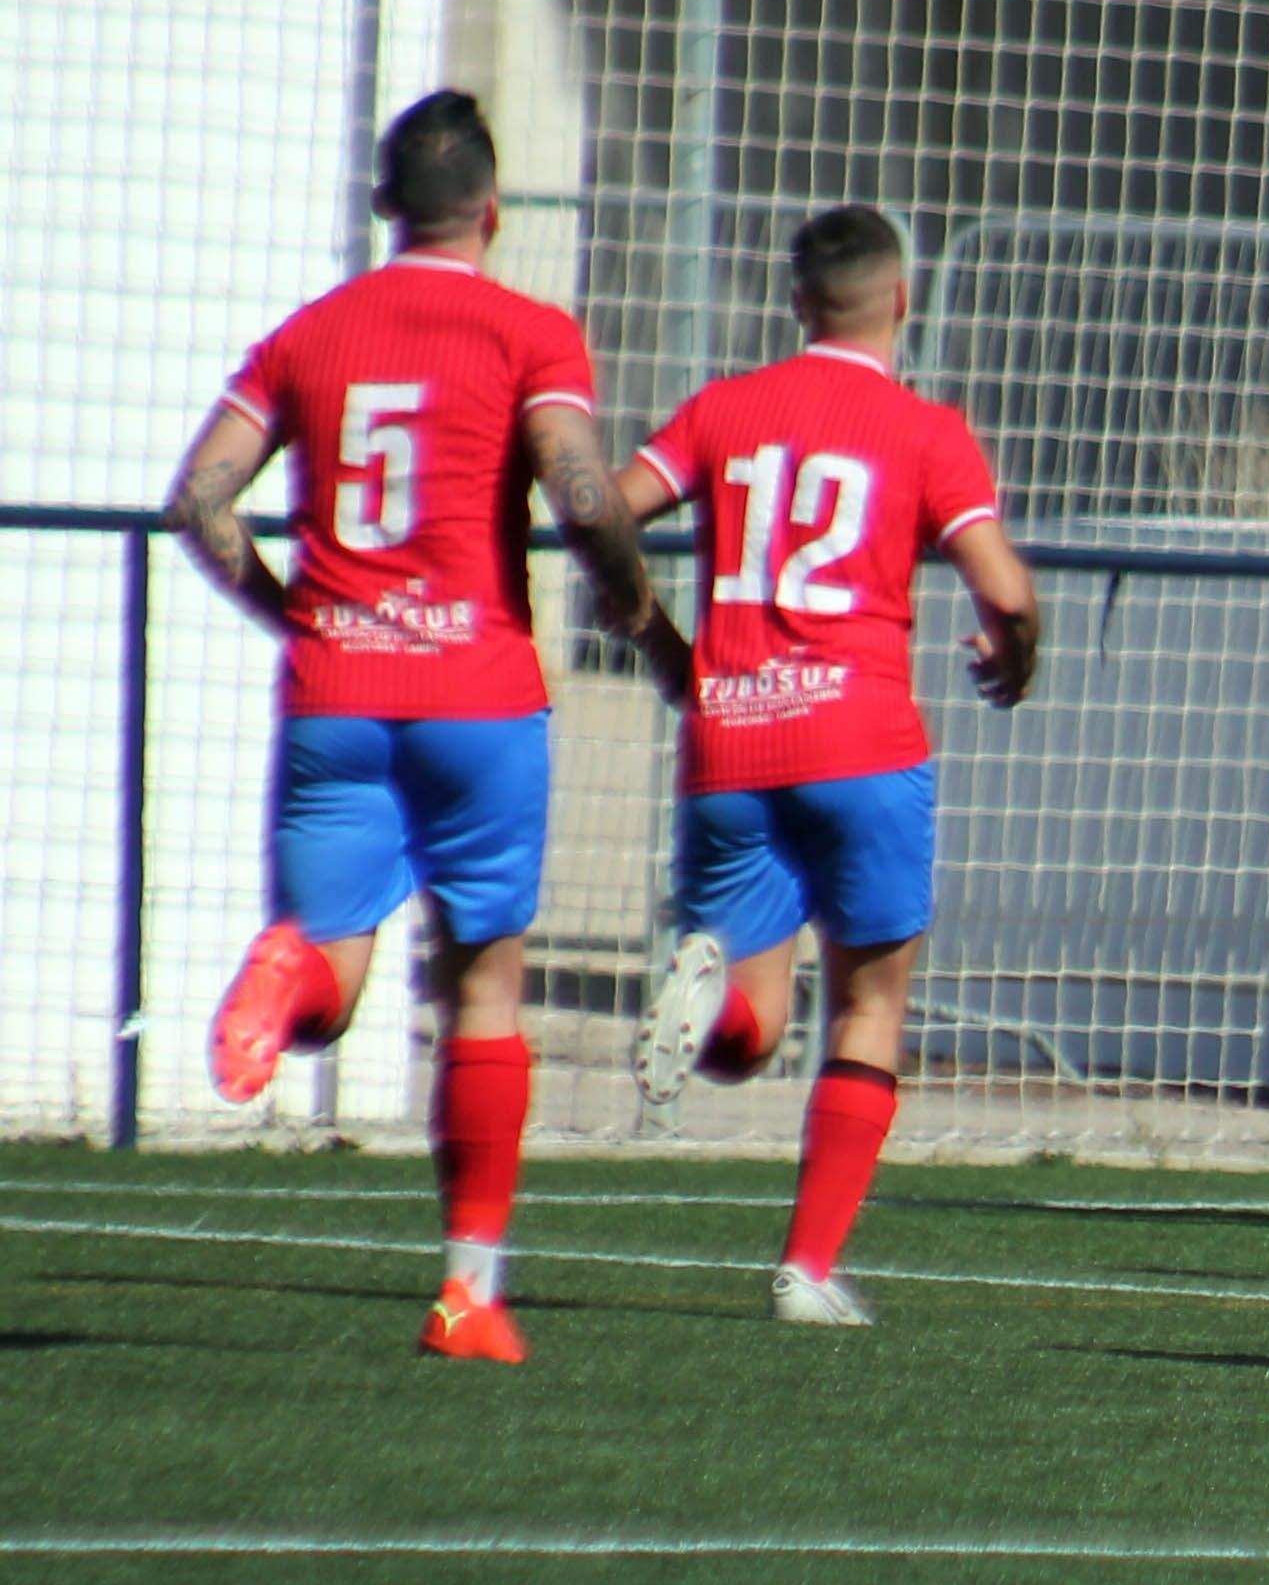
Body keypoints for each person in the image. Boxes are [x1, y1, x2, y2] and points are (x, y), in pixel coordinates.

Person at [161, 89, 676, 1364]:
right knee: (483, 983)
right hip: (478, 699)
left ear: (385, 207)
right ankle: (466, 1293)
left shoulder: (312, 333)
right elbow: (582, 489)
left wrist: (292, 613)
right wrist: (630, 595)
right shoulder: (528, 331)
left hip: (339, 688)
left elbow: (200, 498)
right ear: (491, 211)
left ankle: (286, 962)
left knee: (331, 988)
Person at [615, 203, 1040, 1326]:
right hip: (861, 742)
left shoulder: (724, 409)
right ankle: (806, 1268)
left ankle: (701, 1001)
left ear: (796, 300)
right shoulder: (926, 427)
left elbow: (602, 511)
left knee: (749, 1031)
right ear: (901, 300)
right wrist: (1018, 655)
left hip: (732, 736)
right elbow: (1003, 587)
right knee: (867, 1002)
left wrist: (662, 642)